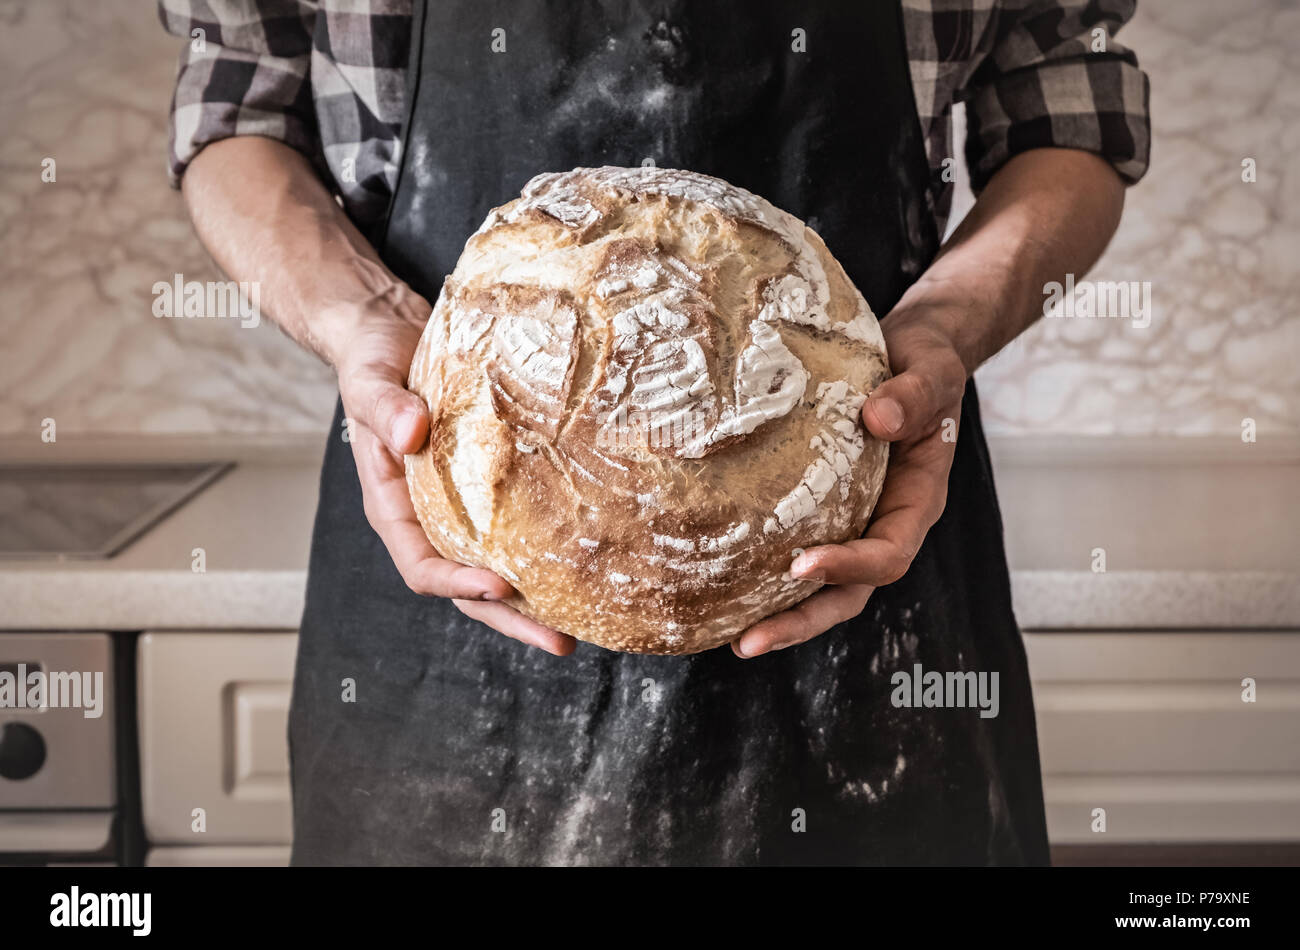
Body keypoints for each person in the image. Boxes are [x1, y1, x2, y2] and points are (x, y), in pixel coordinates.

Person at [160, 0, 1150, 865]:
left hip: (873, 549)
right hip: (445, 553)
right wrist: (359, 316)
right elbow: (238, 110)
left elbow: (1067, 109)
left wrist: (941, 328)